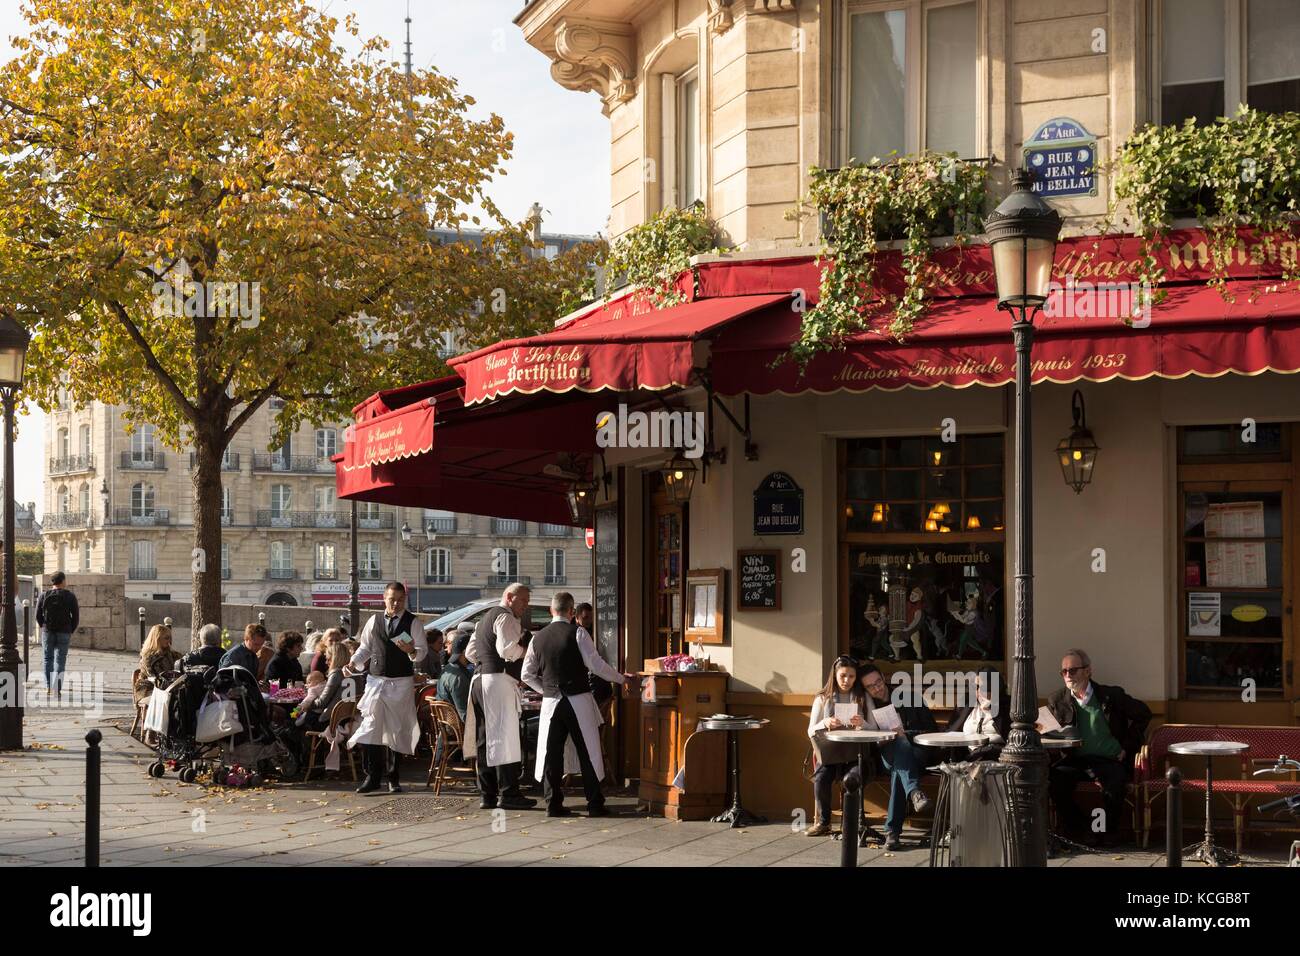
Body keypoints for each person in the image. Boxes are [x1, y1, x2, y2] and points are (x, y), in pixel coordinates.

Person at [520, 591, 629, 818]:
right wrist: (621, 678)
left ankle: (553, 803)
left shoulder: (537, 638)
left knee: (552, 753)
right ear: (572, 612)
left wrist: (547, 690)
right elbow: (596, 665)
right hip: (578, 699)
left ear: (551, 611)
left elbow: (527, 675)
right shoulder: (578, 632)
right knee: (588, 751)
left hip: (551, 703)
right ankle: (594, 803)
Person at [1044, 648, 1151, 846]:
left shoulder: (1110, 696)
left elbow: (1144, 714)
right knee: (1055, 782)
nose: (1068, 676)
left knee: (1114, 786)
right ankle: (1082, 829)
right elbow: (1049, 732)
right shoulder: (1057, 700)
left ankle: (1105, 833)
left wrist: (1126, 747)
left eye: (1073, 670)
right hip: (1075, 759)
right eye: (1064, 672)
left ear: (1088, 671)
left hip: (1108, 759)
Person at [347, 581, 427, 794]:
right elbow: (365, 648)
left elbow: (422, 652)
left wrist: (411, 651)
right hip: (376, 681)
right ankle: (372, 777)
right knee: (371, 728)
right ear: (384, 598)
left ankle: (393, 777)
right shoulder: (374, 621)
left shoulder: (413, 622)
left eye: (400, 600)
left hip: (400, 683)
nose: (396, 603)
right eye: (392, 599)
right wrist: (353, 662)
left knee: (396, 730)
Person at [463, 583, 536, 810]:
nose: (526, 605)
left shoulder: (485, 618)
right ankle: (509, 794)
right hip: (498, 681)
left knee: (485, 739)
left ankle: (488, 794)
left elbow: (470, 653)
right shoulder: (507, 618)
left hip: (479, 681)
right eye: (523, 600)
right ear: (509, 597)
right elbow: (507, 650)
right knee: (505, 737)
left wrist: (487, 663)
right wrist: (529, 652)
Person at [860, 663, 935, 850]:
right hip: (885, 757)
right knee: (898, 754)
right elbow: (866, 742)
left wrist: (906, 733)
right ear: (865, 689)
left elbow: (931, 730)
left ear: (883, 678)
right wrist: (883, 738)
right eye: (870, 686)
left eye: (878, 682)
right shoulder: (866, 707)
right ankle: (915, 793)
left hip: (916, 754)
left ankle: (893, 833)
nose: (877, 688)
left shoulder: (909, 697)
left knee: (899, 767)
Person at [806, 656, 867, 837]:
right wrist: (825, 722)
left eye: (851, 676)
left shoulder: (861, 698)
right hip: (830, 753)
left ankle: (853, 822)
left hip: (854, 752)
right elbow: (810, 730)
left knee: (854, 776)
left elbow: (875, 727)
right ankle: (824, 822)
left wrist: (862, 723)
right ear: (834, 675)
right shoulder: (822, 698)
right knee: (821, 777)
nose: (847, 681)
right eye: (843, 676)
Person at [946, 667, 1010, 761]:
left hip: (995, 755)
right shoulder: (966, 703)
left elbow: (1011, 737)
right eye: (975, 687)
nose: (978, 691)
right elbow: (951, 730)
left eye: (984, 687)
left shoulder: (1008, 705)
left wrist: (992, 706)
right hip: (967, 753)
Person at [35, 571, 79, 697]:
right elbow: (75, 616)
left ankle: (48, 687)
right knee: (60, 660)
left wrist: (44, 626)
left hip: (48, 631)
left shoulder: (44, 595)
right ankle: (57, 689)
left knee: (47, 659)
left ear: (52, 582)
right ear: (63, 581)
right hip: (64, 631)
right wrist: (70, 629)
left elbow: (38, 615)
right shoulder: (70, 596)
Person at [300, 641, 351, 731]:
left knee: (303, 718)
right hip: (349, 717)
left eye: (328, 659)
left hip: (332, 720)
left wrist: (307, 705)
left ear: (335, 658)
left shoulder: (337, 674)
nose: (326, 662)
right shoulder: (356, 673)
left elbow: (322, 702)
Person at [133, 625, 180, 705]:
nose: (169, 641)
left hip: (167, 687)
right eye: (166, 638)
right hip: (148, 689)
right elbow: (154, 677)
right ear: (157, 639)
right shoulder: (148, 657)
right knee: (167, 700)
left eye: (170, 638)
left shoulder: (172, 654)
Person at [436, 630, 472, 722]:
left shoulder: (448, 668)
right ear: (465, 651)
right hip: (458, 729)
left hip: (447, 725)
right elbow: (465, 716)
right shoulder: (459, 678)